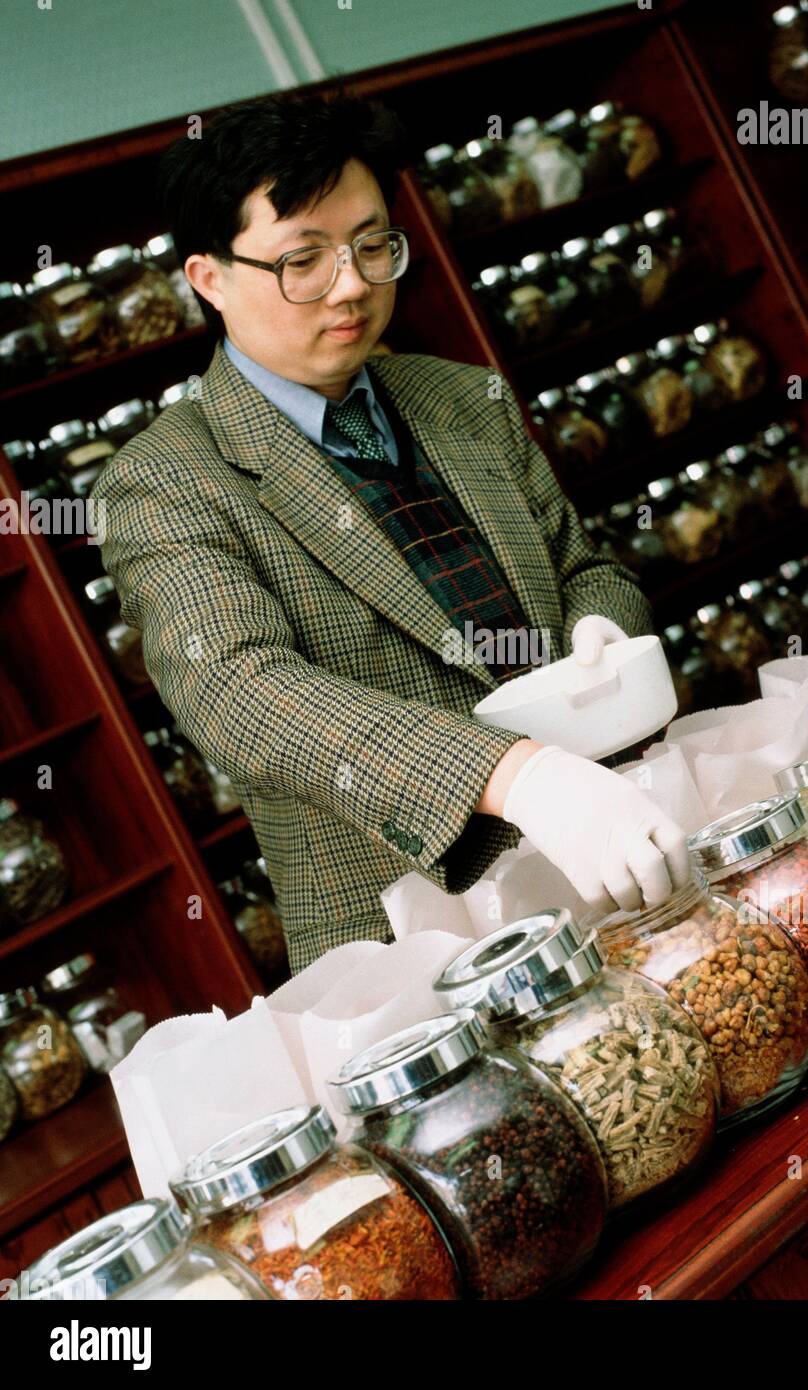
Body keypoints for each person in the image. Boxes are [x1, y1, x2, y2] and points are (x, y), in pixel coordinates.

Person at [91, 90, 688, 974]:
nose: (353, 285)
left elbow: (582, 563)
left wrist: (601, 627)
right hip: (415, 944)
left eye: (373, 246)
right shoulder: (162, 482)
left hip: (613, 850)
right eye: (303, 260)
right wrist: (519, 776)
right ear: (209, 278)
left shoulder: (456, 395)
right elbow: (243, 694)